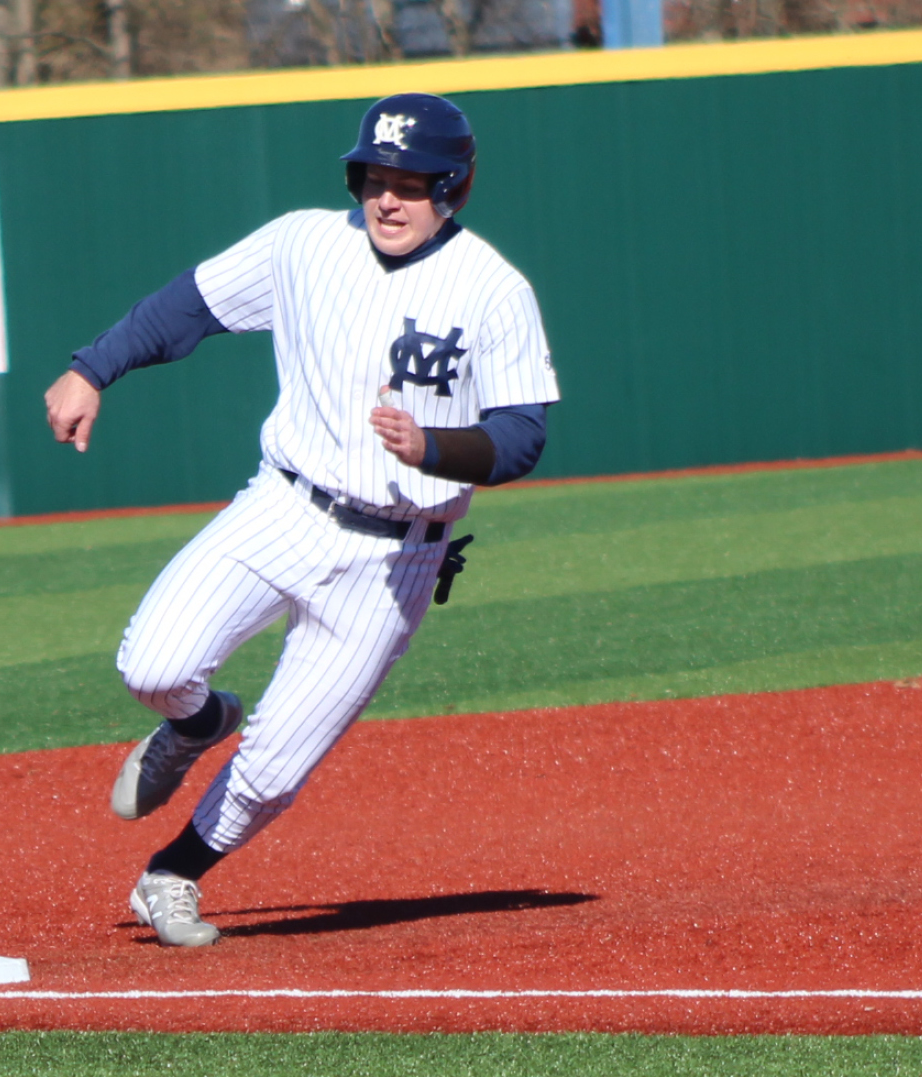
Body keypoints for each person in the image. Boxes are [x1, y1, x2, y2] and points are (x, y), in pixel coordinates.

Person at [45, 93, 559, 946]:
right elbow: (189, 307)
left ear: (455, 188)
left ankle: (171, 877)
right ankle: (199, 721)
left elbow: (520, 438)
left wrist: (431, 446)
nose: (388, 199)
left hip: (398, 561)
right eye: (374, 178)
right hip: (285, 506)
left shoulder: (494, 290)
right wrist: (93, 370)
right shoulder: (304, 244)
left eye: (413, 182)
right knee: (151, 664)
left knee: (275, 770)